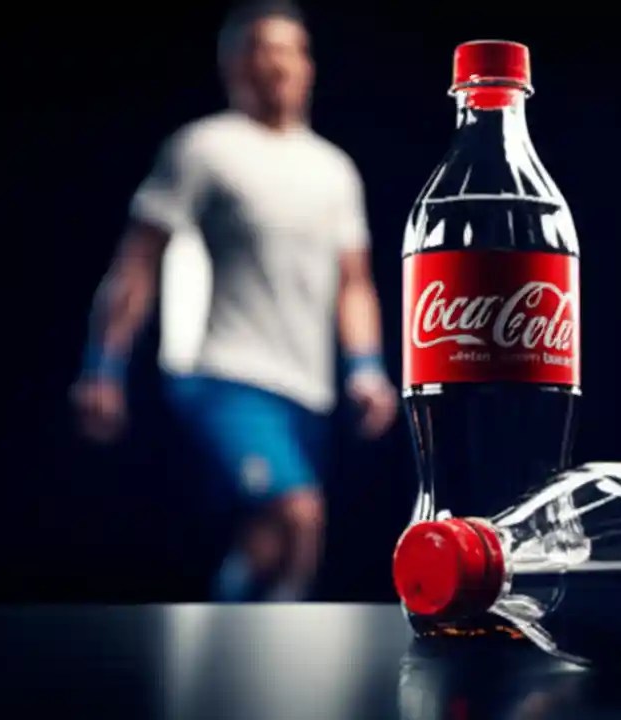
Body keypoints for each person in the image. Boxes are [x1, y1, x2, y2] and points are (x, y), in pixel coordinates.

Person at [70, 0, 398, 602]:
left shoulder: (335, 170)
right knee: (298, 516)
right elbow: (137, 264)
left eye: (290, 49)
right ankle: (270, 654)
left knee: (268, 542)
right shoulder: (203, 149)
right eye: (261, 49)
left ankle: (223, 647)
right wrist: (103, 367)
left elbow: (354, 283)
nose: (277, 63)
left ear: (308, 64)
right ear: (234, 64)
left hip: (307, 388)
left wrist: (367, 367)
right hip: (222, 374)